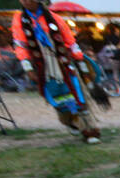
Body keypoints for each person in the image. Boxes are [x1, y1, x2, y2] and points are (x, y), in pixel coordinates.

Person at [12, 0, 101, 143]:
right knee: (59, 100)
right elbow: (20, 45)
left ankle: (90, 130)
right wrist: (27, 67)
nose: (26, 1)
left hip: (63, 64)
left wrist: (79, 59)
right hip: (44, 68)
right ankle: (72, 122)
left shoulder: (54, 18)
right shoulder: (19, 21)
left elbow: (70, 41)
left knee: (79, 96)